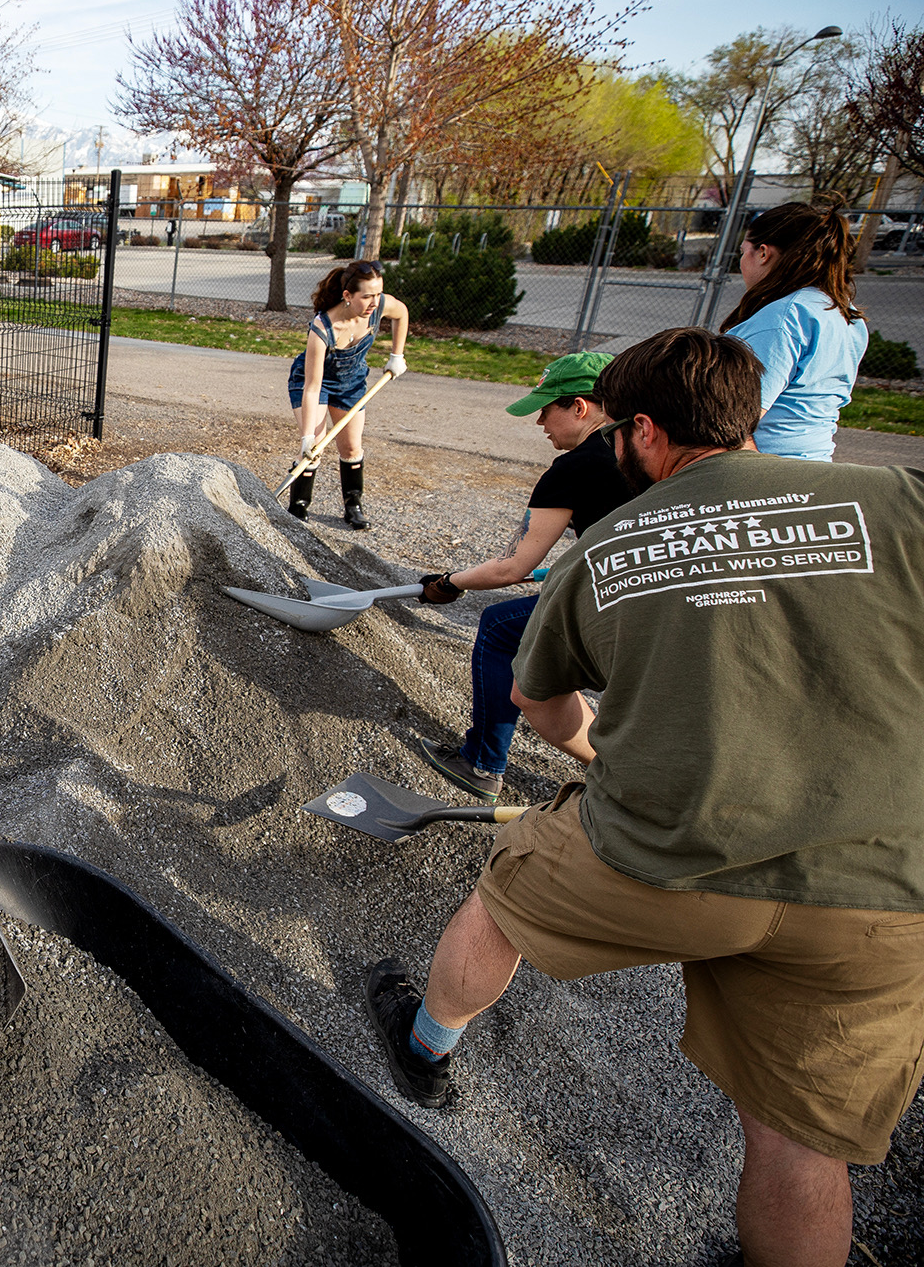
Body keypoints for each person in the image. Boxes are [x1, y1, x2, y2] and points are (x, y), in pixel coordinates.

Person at [364, 326, 924, 1267]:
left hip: (663, 855)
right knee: (798, 1139)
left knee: (500, 897)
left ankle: (425, 1050)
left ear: (649, 432)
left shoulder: (610, 549)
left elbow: (538, 702)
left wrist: (599, 759)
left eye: (619, 429)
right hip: (880, 887)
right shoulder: (897, 500)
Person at [409, 353, 635, 802]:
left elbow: (512, 567)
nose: (539, 423)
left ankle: (481, 762)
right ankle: (617, 771)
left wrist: (450, 582)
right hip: (672, 585)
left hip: (624, 604)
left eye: (546, 410)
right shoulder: (647, 444)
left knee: (499, 628)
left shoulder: (575, 467)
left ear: (580, 407)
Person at [721, 200, 869, 461]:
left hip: (765, 468)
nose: (741, 262)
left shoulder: (783, 319)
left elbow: (731, 422)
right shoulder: (845, 312)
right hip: (813, 463)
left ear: (763, 253)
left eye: (743, 252)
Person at [285, 259, 410, 528]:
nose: (375, 302)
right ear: (347, 295)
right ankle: (298, 506)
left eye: (378, 294)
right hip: (314, 382)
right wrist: (307, 437)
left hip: (351, 383)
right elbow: (312, 387)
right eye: (367, 296)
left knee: (352, 447)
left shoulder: (379, 306)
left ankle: (353, 505)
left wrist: (396, 355)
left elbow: (401, 313)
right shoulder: (323, 328)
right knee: (315, 447)